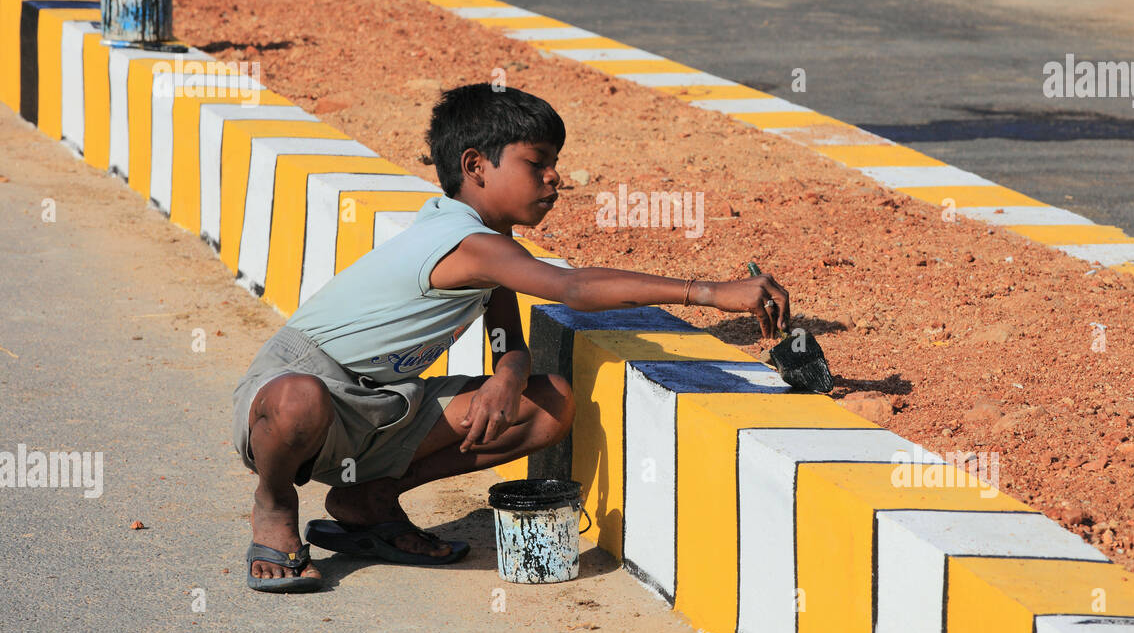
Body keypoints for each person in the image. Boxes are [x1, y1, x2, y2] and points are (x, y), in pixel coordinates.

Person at [233, 83, 791, 591]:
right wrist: (709, 292)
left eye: (555, 164)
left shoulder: (487, 244)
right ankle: (276, 501)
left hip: (386, 405)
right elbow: (570, 287)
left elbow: (509, 338)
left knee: (547, 404)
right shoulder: (466, 241)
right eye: (537, 163)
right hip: (299, 391)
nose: (556, 178)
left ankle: (369, 497)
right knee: (298, 399)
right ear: (475, 165)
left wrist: (510, 373)